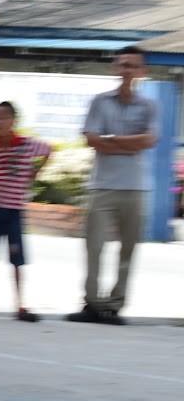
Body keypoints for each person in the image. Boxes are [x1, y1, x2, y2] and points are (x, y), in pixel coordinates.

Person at [69, 47, 160, 326]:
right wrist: (129, 143)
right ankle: (92, 304)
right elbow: (91, 140)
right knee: (94, 247)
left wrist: (110, 139)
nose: (127, 70)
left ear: (142, 72)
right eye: (123, 65)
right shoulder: (100, 102)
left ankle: (114, 306)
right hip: (102, 186)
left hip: (135, 187)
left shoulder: (149, 106)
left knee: (128, 250)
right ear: (115, 69)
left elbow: (149, 140)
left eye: (133, 66)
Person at [0, 102, 52, 322]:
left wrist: (35, 172)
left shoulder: (26, 144)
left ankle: (20, 304)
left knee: (16, 257)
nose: (0, 122)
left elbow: (49, 150)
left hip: (14, 210)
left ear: (13, 121)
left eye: (4, 117)